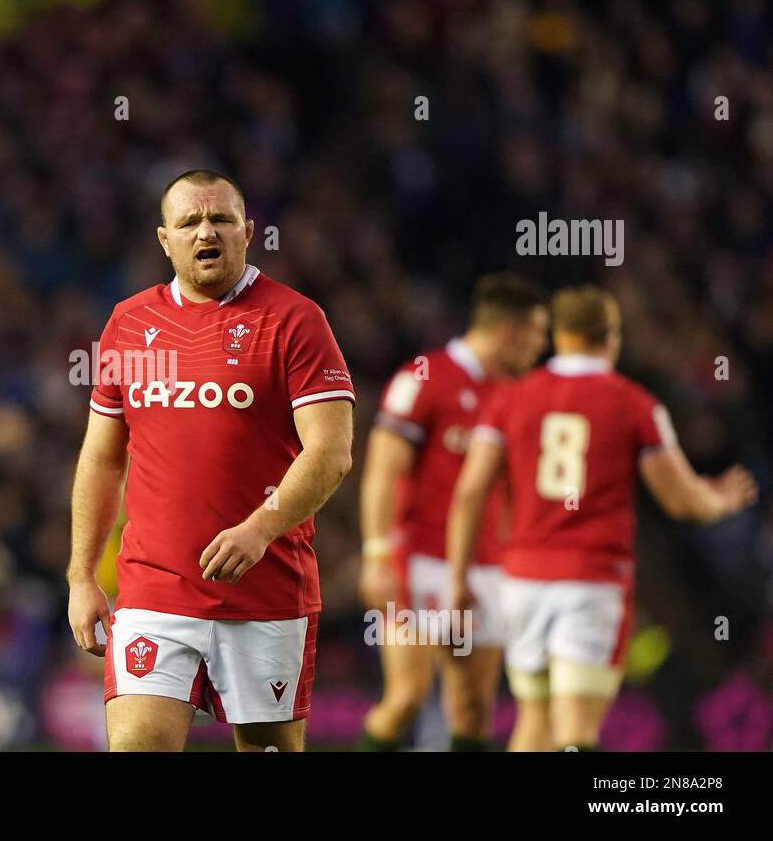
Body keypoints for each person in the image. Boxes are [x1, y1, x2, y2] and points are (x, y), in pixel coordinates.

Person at [66, 169, 355, 751]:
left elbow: (331, 452)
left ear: (247, 231)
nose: (206, 232)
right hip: (153, 592)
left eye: (221, 219)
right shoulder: (130, 323)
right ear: (164, 239)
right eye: (190, 222)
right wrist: (81, 574)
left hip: (266, 593)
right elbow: (101, 458)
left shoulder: (294, 320)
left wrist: (260, 529)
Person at [445, 285, 757, 750]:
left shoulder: (510, 398)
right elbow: (683, 502)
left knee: (534, 722)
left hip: (523, 581)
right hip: (590, 581)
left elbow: (470, 491)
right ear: (610, 337)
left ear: (559, 336)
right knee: (576, 730)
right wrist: (723, 500)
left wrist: (458, 578)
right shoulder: (633, 404)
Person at [357, 275, 549, 751]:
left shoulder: (516, 394)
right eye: (536, 334)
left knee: (474, 709)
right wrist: (377, 555)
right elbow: (382, 470)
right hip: (418, 560)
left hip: (486, 566)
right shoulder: (425, 377)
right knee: (407, 696)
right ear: (509, 331)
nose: (541, 346)